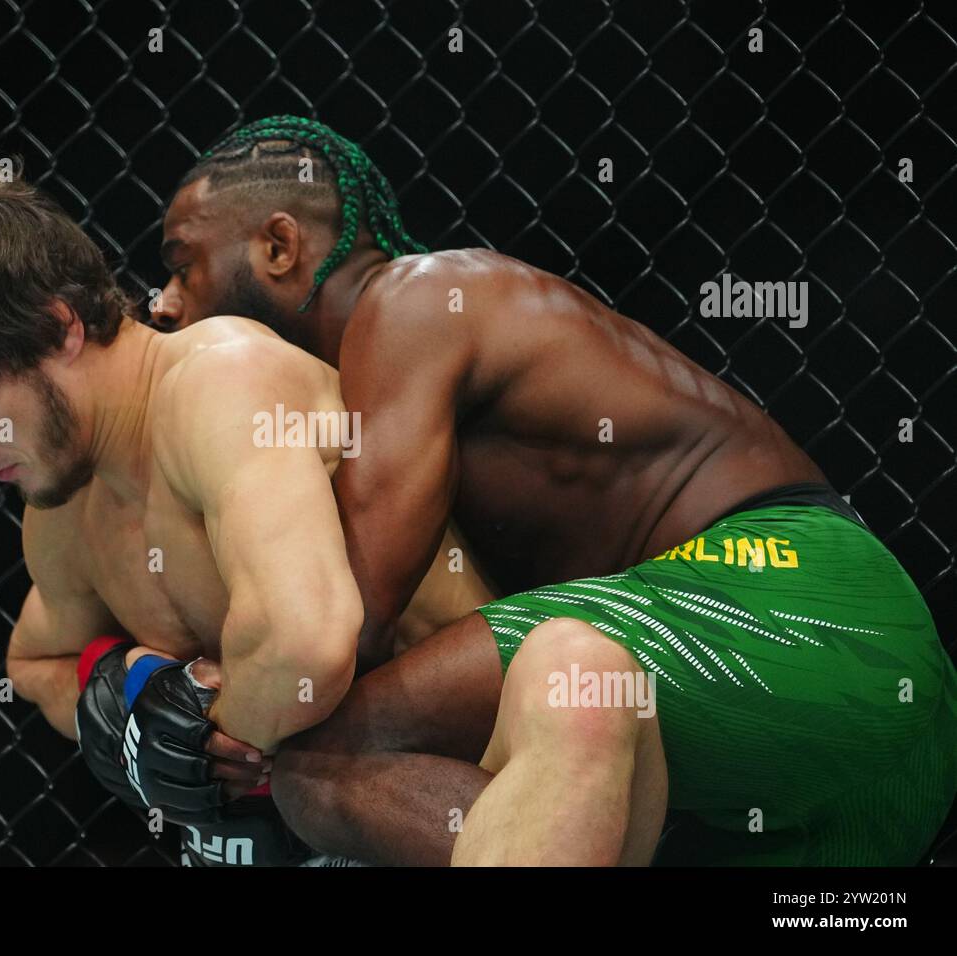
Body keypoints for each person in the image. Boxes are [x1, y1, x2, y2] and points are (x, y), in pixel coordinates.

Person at [140, 115, 957, 864]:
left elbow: (346, 624)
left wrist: (197, 714)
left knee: (320, 763)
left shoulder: (413, 302)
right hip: (860, 777)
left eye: (183, 265)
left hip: (798, 606)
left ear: (278, 247)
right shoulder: (397, 371)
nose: (165, 305)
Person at [0, 162, 492, 865]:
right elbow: (34, 662)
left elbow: (307, 642)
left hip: (471, 776)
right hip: (324, 826)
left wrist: (187, 747)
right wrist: (134, 699)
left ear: (58, 329)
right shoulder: (65, 515)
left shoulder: (218, 381)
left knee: (305, 780)